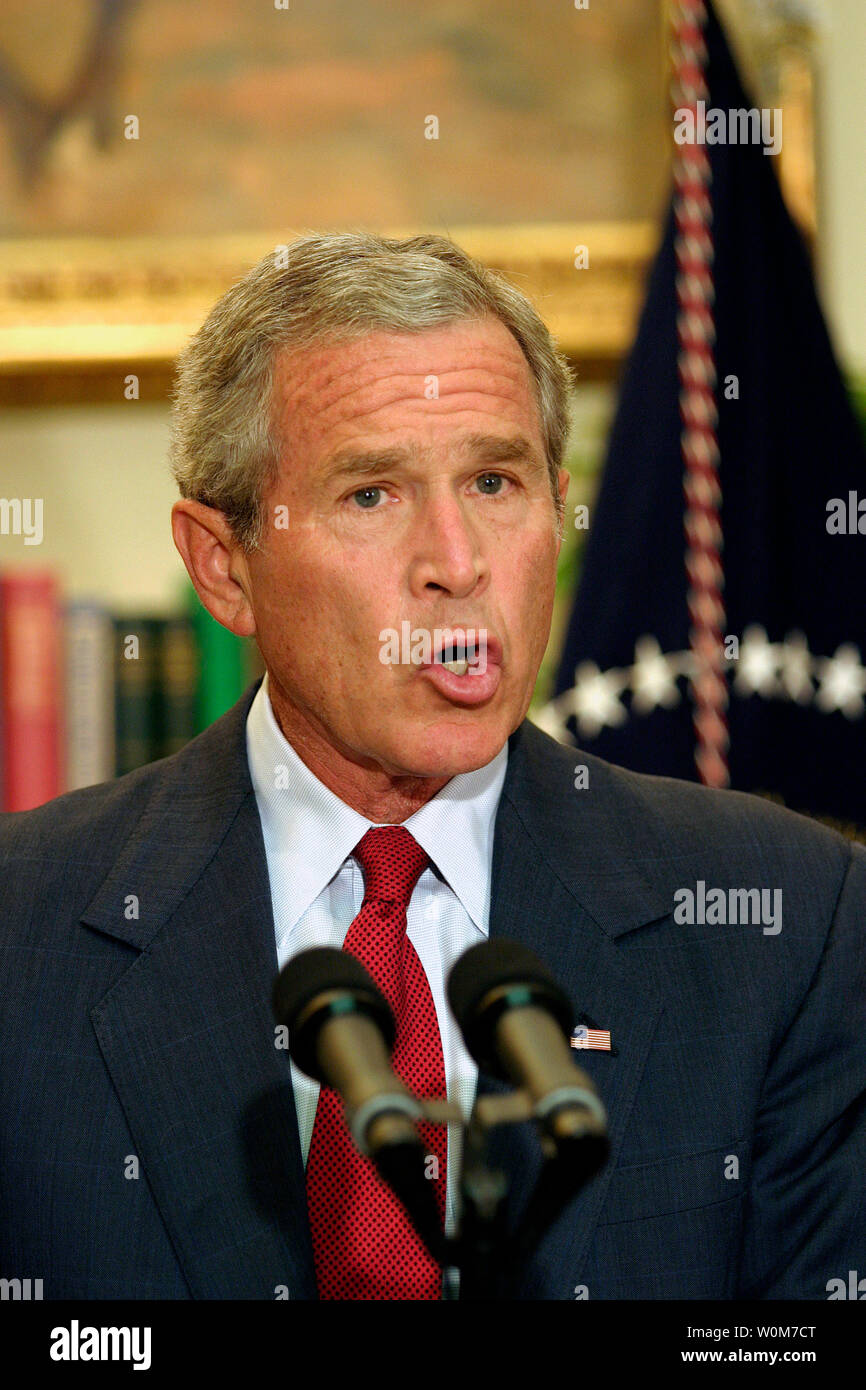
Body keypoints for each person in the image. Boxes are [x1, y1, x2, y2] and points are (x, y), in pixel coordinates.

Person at [1, 232, 863, 1301]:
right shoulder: (22, 924)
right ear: (224, 567)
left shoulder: (789, 919)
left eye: (495, 481)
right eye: (372, 494)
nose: (455, 564)